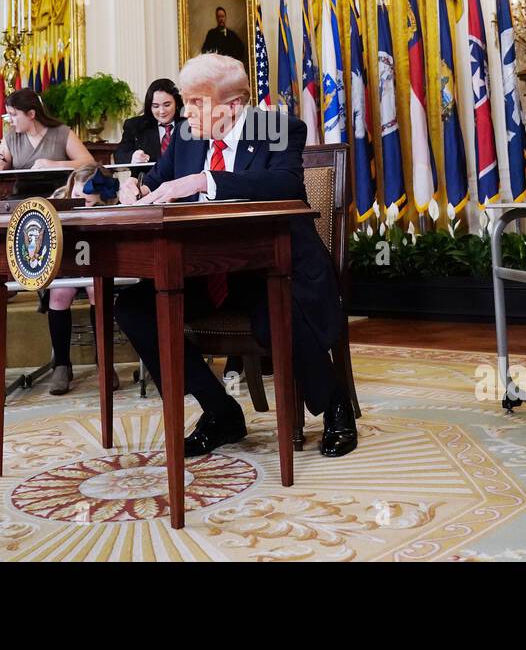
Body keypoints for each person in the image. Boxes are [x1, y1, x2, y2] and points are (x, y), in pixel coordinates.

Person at [115, 53, 357, 458]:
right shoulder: (187, 137)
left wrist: (203, 180)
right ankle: (220, 410)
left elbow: (282, 184)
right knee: (135, 307)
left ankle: (334, 404)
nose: (185, 111)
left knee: (275, 312)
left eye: (196, 102)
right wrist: (134, 189)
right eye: (184, 100)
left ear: (232, 105)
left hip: (274, 267)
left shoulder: (275, 128)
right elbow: (154, 182)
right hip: (208, 271)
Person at [42, 164, 121, 394]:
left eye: (87, 198)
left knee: (96, 289)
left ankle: (104, 362)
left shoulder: (111, 204)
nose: (80, 200)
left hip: (99, 262)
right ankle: (61, 365)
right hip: (66, 264)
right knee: (59, 293)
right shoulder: (58, 199)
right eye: (77, 195)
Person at [0, 87, 92, 173]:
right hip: (23, 196)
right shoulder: (11, 137)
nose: (9, 120)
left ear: (31, 114)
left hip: (58, 194)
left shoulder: (62, 132)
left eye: (13, 115)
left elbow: (90, 163)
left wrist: (56, 165)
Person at [114, 78, 180, 164]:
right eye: (156, 106)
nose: (162, 111)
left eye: (167, 105)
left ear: (176, 103)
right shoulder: (136, 125)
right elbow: (119, 156)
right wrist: (133, 157)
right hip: (146, 176)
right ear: (150, 106)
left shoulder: (188, 124)